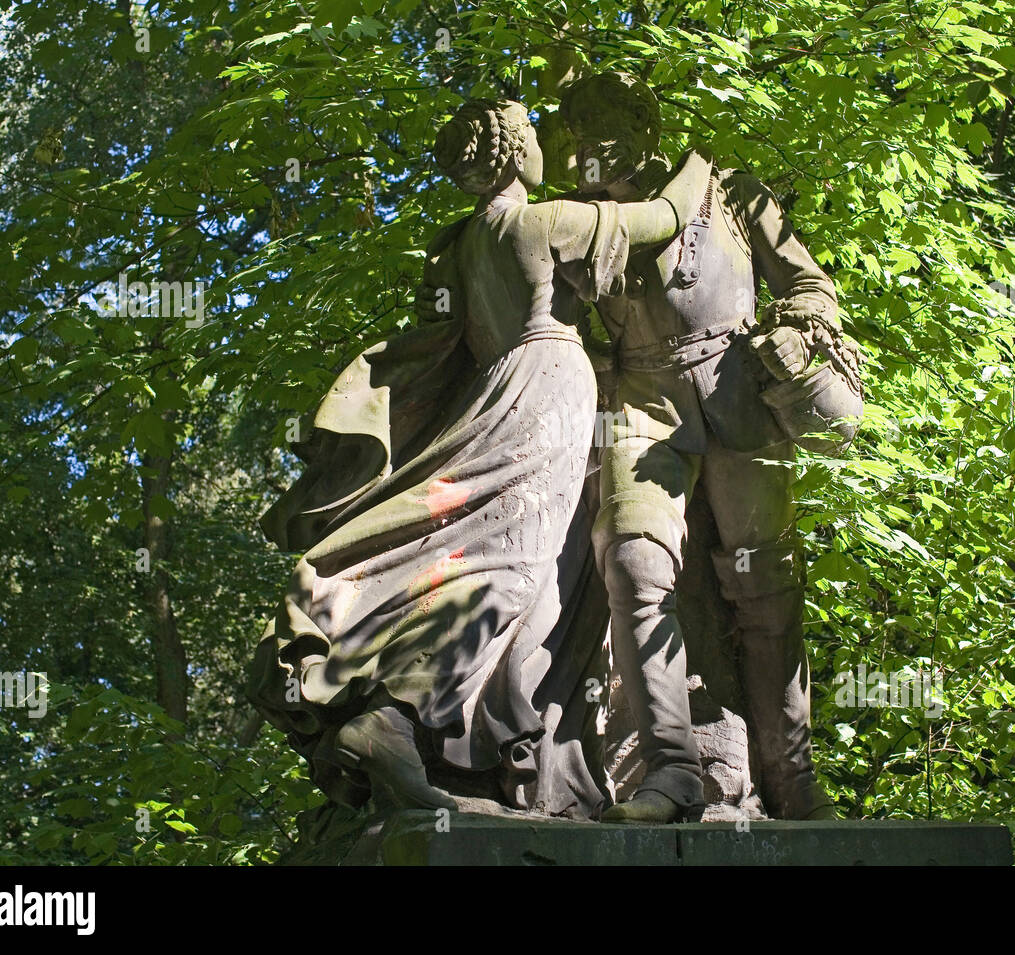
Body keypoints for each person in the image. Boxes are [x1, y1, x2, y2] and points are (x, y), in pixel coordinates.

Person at [248, 99, 713, 819]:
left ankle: (422, 734)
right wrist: (698, 171)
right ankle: (400, 712)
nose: (542, 149)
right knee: (513, 566)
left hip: (497, 392)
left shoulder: (460, 246)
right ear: (505, 153)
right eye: (530, 136)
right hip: (548, 396)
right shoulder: (540, 221)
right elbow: (658, 220)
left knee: (484, 556)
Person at [559, 72, 863, 823]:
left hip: (737, 389)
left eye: (604, 119)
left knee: (765, 587)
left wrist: (796, 327)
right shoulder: (591, 223)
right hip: (641, 400)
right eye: (580, 125)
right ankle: (669, 771)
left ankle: (792, 779)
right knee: (631, 560)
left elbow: (812, 285)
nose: (590, 138)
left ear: (644, 124)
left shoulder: (733, 192)